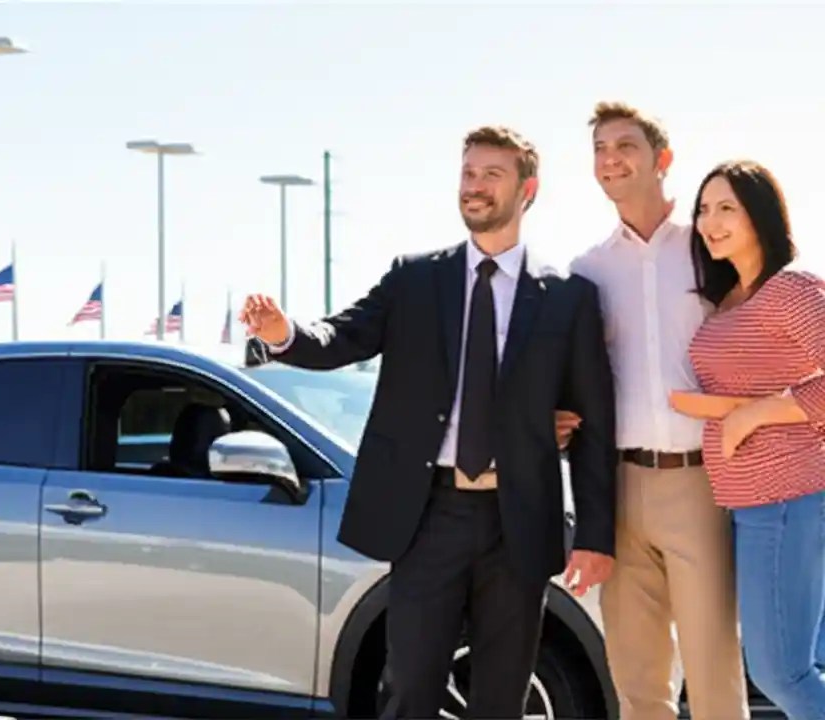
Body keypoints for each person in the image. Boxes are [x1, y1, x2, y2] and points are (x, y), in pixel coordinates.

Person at [240, 125, 618, 719]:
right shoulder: (414, 279)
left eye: (492, 175)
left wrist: (595, 535)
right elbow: (343, 336)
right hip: (428, 515)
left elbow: (592, 422)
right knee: (411, 690)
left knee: (502, 701)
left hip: (519, 520)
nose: (475, 186)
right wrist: (285, 334)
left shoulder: (568, 297)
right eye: (468, 173)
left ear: (528, 190)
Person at [567, 101, 748, 720]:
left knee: (715, 677)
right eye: (600, 149)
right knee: (639, 684)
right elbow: (577, 380)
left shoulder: (710, 250)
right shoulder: (588, 270)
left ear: (661, 159)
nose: (610, 159)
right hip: (619, 488)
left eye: (626, 146)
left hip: (702, 482)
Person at [669, 159, 825, 720]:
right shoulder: (730, 298)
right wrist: (715, 408)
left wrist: (756, 414)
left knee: (781, 673)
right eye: (703, 210)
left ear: (760, 214)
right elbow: (748, 388)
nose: (710, 222)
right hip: (754, 505)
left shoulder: (791, 290)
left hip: (786, 500)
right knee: (808, 663)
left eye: (726, 208)